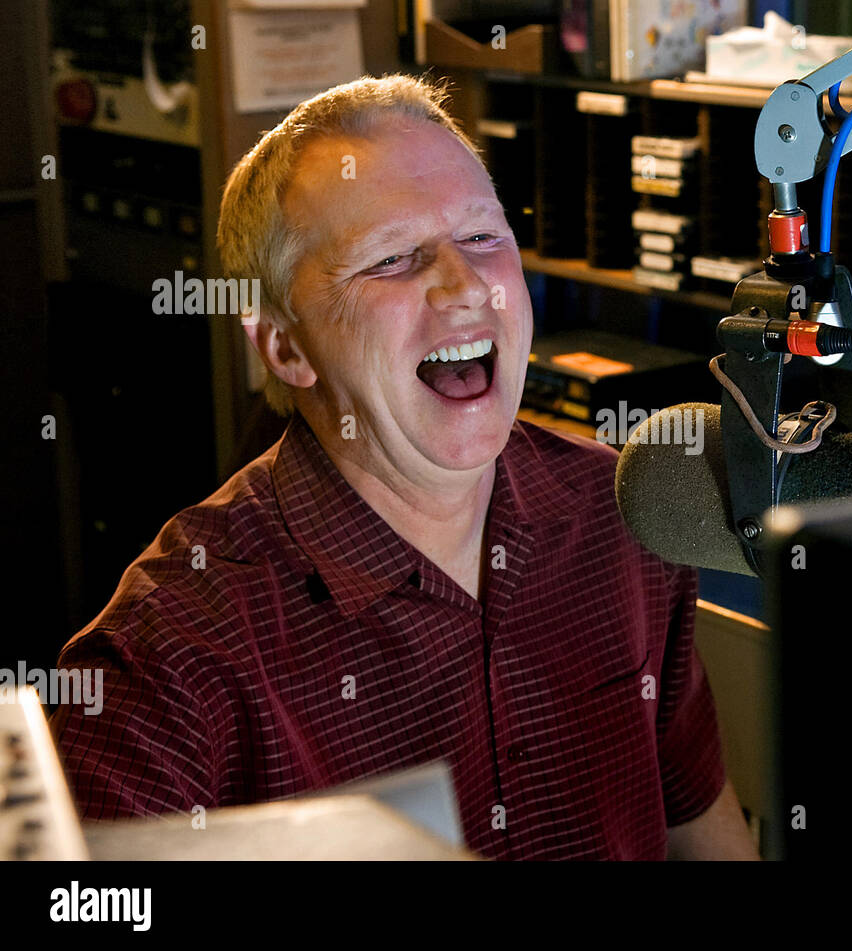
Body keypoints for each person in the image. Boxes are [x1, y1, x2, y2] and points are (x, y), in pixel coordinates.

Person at [52, 74, 758, 860]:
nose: (465, 287)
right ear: (285, 346)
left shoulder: (622, 512)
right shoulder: (169, 654)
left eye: (485, 238)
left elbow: (699, 826)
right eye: (391, 258)